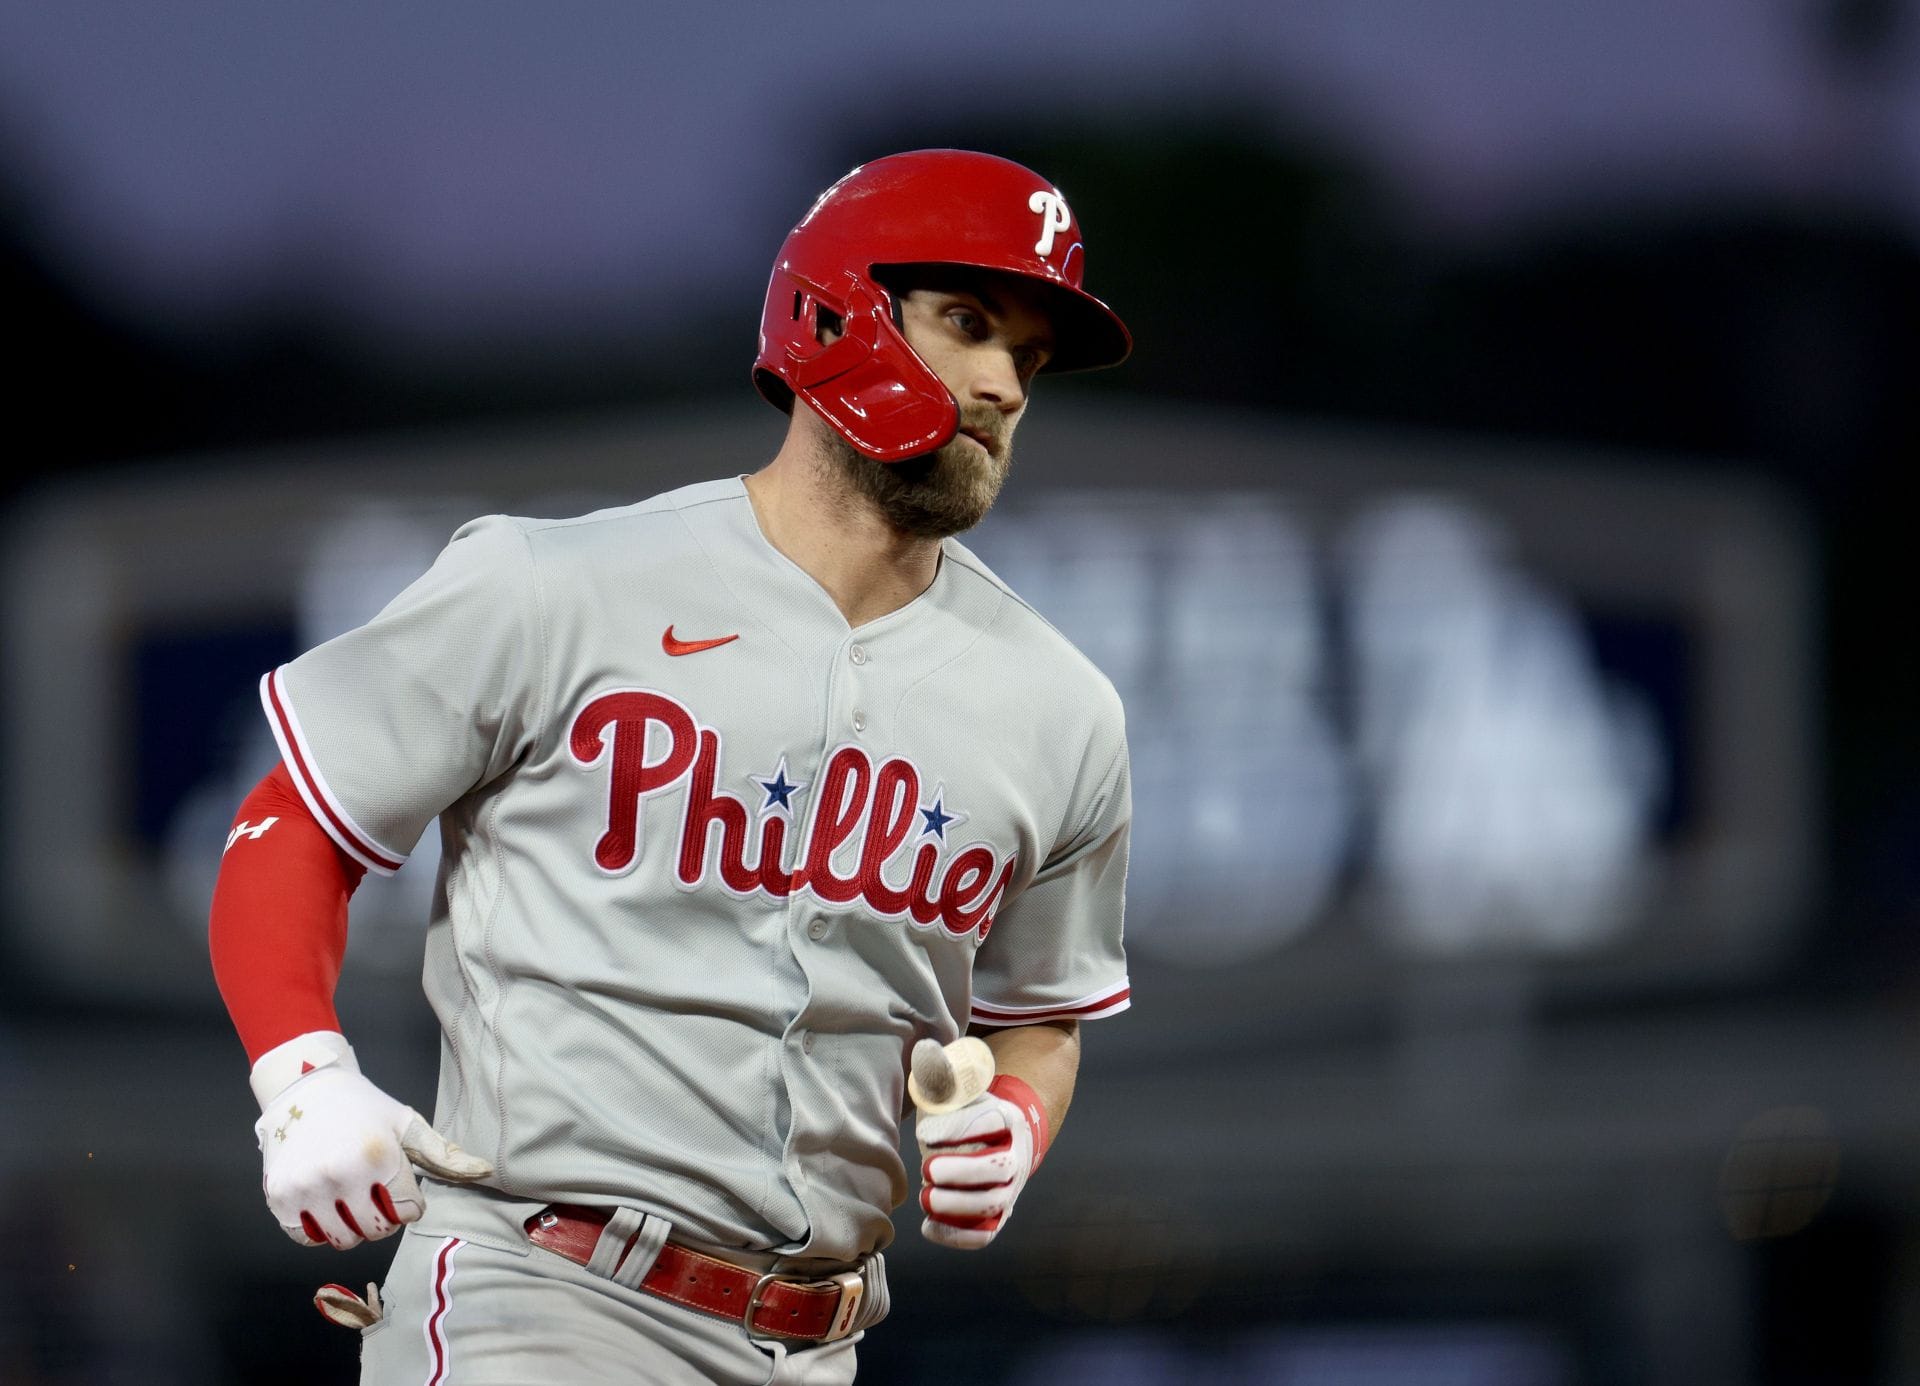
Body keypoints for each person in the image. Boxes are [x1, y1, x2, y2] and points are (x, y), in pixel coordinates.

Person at [208, 148, 1135, 1385]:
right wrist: (303, 1075)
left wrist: (1015, 1121)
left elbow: (1042, 1019)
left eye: (1026, 358)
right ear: (830, 309)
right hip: (540, 1296)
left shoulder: (1060, 707)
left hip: (822, 1341)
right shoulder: (558, 588)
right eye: (968, 323)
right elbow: (295, 825)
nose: (1001, 385)